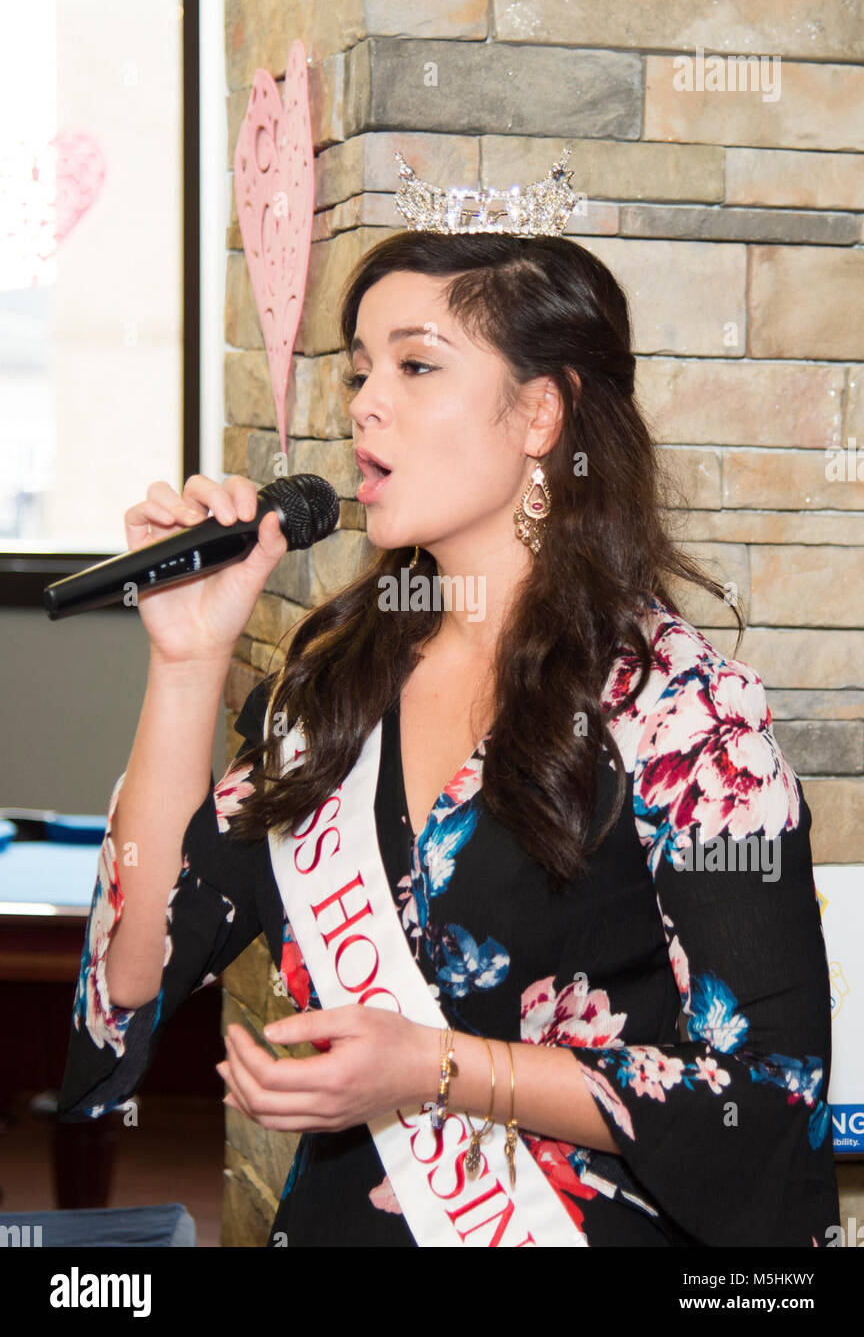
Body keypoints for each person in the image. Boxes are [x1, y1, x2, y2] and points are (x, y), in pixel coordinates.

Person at [58, 153, 840, 1248]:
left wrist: (440, 1067)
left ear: (538, 416)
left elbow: (764, 1089)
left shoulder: (684, 715)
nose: (365, 403)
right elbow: (131, 976)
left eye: (416, 367)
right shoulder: (334, 676)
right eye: (357, 369)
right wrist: (188, 663)